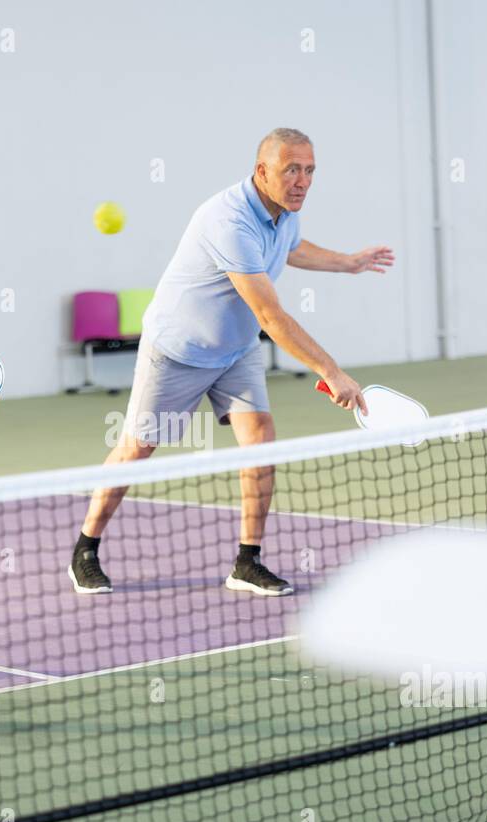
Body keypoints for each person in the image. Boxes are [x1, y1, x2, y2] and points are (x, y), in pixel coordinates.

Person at [69, 128, 395, 597]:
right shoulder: (229, 221)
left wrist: (347, 261)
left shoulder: (283, 214)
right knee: (135, 451)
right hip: (177, 351)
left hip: (236, 351)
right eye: (291, 170)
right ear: (262, 171)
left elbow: (293, 248)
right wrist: (331, 371)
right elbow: (270, 315)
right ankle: (86, 548)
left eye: (309, 170)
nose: (302, 180)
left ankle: (248, 561)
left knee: (261, 442)